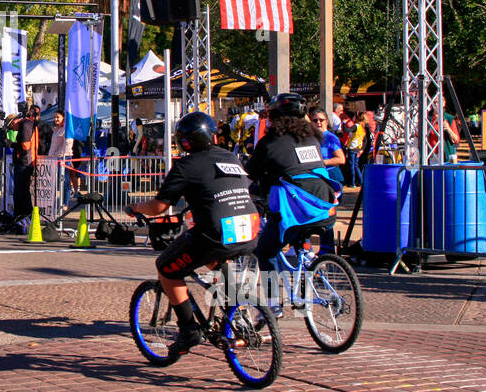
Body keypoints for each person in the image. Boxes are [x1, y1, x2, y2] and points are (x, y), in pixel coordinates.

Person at [129, 112, 261, 356]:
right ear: (212, 135)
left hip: (215, 232)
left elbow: (160, 206)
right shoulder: (230, 157)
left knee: (167, 267)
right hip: (250, 229)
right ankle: (237, 308)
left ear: (183, 142)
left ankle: (189, 330)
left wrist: (135, 207)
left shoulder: (185, 166)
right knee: (215, 257)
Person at [247, 93, 338, 269]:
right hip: (323, 205)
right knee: (299, 238)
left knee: (266, 252)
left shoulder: (269, 143)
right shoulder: (312, 139)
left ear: (273, 116)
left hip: (294, 208)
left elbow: (249, 175)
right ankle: (307, 281)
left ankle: (272, 296)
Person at [12, 104, 39, 223]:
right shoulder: (28, 124)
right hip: (25, 162)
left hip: (25, 163)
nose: (12, 126)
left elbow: (25, 145)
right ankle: (22, 218)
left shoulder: (26, 124)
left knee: (22, 192)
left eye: (12, 123)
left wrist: (14, 145)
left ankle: (25, 218)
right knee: (21, 191)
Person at [309, 107, 346, 189]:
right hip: (316, 176)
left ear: (327, 122)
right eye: (315, 120)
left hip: (331, 176)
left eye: (321, 120)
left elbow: (341, 159)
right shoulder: (309, 138)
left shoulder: (331, 138)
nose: (318, 122)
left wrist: (321, 162)